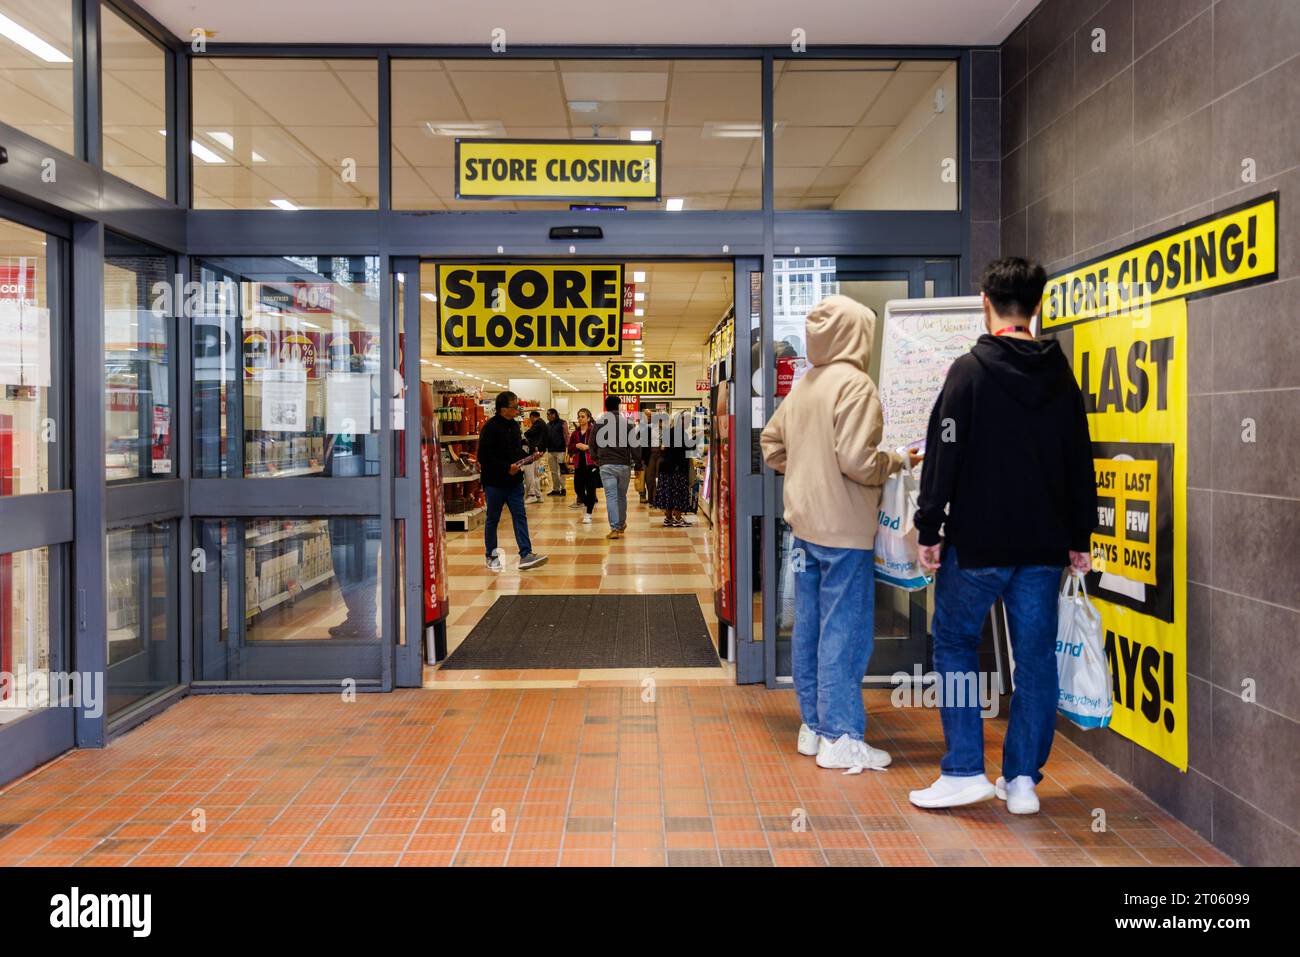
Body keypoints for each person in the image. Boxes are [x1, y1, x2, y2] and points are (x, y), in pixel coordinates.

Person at [907, 257, 1096, 814]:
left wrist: (929, 525)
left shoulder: (967, 372)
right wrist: (1079, 536)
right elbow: (1079, 460)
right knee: (1035, 659)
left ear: (985, 303)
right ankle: (1022, 782)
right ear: (1037, 307)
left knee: (955, 644)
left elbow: (943, 451)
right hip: (1042, 547)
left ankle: (965, 768)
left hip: (979, 544)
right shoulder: (1061, 377)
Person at [760, 295, 917, 772]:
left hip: (804, 527)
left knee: (808, 628)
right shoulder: (856, 385)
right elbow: (858, 461)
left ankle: (813, 726)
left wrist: (807, 469)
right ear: (857, 334)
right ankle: (841, 736)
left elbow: (771, 445)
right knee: (844, 633)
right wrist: (896, 460)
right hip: (844, 530)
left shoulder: (805, 385)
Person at [478, 391, 548, 572]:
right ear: (503, 409)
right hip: (494, 483)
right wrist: (506, 468)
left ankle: (526, 554)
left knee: (519, 516)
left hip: (514, 482)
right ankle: (491, 556)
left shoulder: (514, 427)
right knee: (493, 519)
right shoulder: (490, 428)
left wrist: (530, 457)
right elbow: (483, 457)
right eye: (514, 406)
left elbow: (516, 451)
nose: (517, 409)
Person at [592, 394, 640, 539]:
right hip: (624, 465)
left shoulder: (599, 423)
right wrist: (638, 463)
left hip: (606, 465)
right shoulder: (627, 423)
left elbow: (591, 443)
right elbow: (635, 445)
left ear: (606, 406)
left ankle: (614, 528)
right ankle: (621, 524)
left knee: (611, 497)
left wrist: (596, 458)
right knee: (621, 496)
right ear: (618, 406)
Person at [652, 411, 695, 527]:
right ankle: (678, 519)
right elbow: (684, 451)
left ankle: (669, 518)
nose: (688, 423)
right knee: (678, 494)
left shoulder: (669, 432)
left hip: (666, 468)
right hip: (676, 469)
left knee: (669, 494)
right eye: (686, 420)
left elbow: (665, 449)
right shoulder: (681, 433)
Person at [566, 407, 600, 524]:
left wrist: (588, 447)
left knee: (591, 489)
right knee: (578, 488)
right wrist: (576, 446)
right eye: (579, 417)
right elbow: (570, 448)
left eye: (582, 416)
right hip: (578, 464)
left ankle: (588, 513)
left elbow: (599, 447)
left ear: (588, 418)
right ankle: (588, 503)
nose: (580, 419)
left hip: (591, 464)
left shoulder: (594, 431)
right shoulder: (575, 433)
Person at [522, 410, 548, 503]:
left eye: (530, 419)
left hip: (534, 452)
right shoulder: (543, 423)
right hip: (540, 452)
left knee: (529, 473)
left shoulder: (538, 424)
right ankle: (538, 495)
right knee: (537, 474)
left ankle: (531, 495)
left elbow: (527, 434)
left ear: (532, 417)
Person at [545, 408, 568, 497]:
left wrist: (568, 449)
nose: (547, 416)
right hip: (550, 451)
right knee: (553, 471)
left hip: (561, 450)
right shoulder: (547, 425)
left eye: (548, 414)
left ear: (554, 414)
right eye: (547, 415)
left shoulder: (562, 423)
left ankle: (563, 488)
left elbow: (566, 435)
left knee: (562, 471)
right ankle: (556, 489)